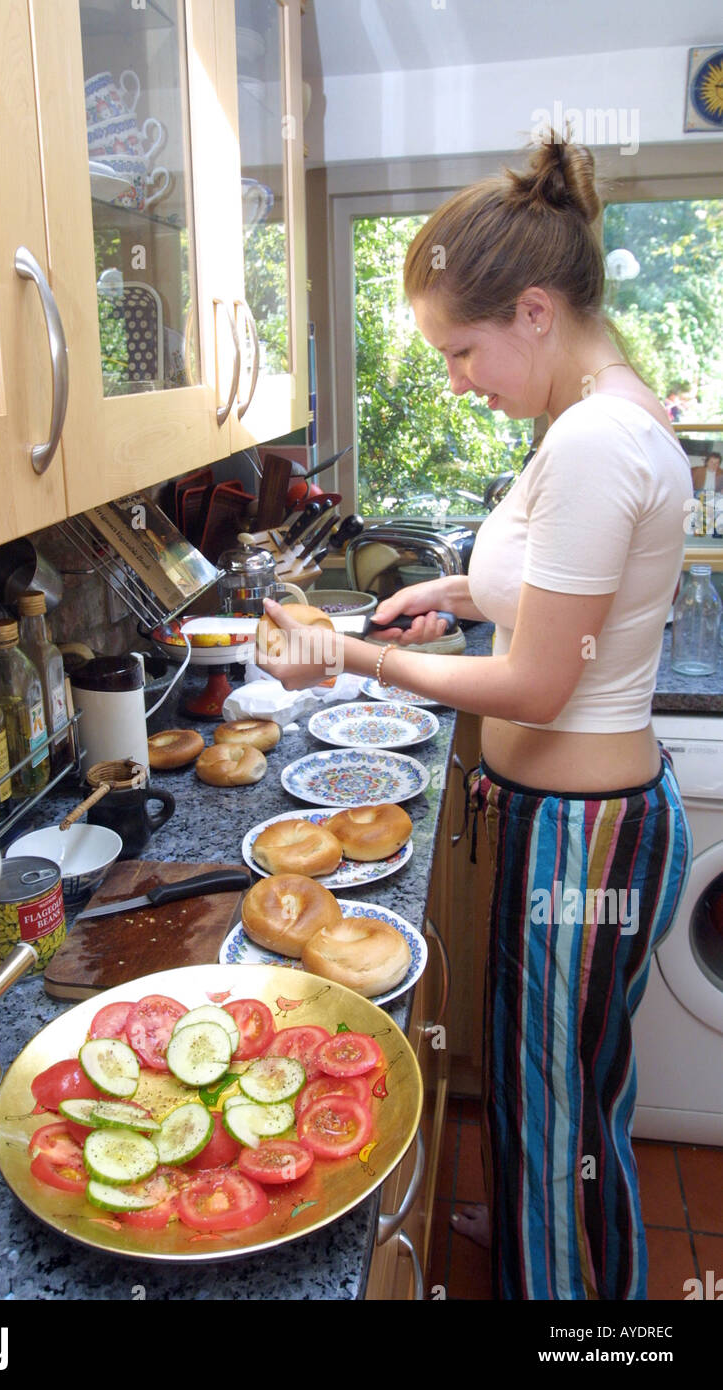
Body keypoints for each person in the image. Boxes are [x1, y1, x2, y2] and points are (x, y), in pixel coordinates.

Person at [258, 133, 694, 1301]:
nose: (455, 378)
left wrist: (348, 655)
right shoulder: (594, 411)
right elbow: (557, 587)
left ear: (535, 310)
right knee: (542, 1084)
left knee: (557, 1110)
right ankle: (528, 1228)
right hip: (560, 812)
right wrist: (454, 592)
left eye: (460, 348)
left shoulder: (596, 439)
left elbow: (536, 684)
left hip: (580, 829)